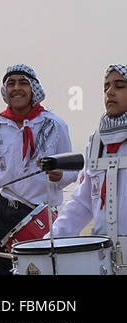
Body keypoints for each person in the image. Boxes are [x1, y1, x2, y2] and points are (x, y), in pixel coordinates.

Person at [0, 63, 73, 276]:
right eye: (11, 83)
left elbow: (72, 170)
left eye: (23, 83)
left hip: (40, 217)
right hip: (4, 216)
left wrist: (60, 175)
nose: (16, 88)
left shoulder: (55, 125)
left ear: (33, 89)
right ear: (5, 90)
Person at [48, 65, 127, 240]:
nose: (110, 92)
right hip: (104, 253)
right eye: (106, 87)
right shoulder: (97, 142)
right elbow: (82, 203)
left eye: (119, 86)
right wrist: (50, 241)